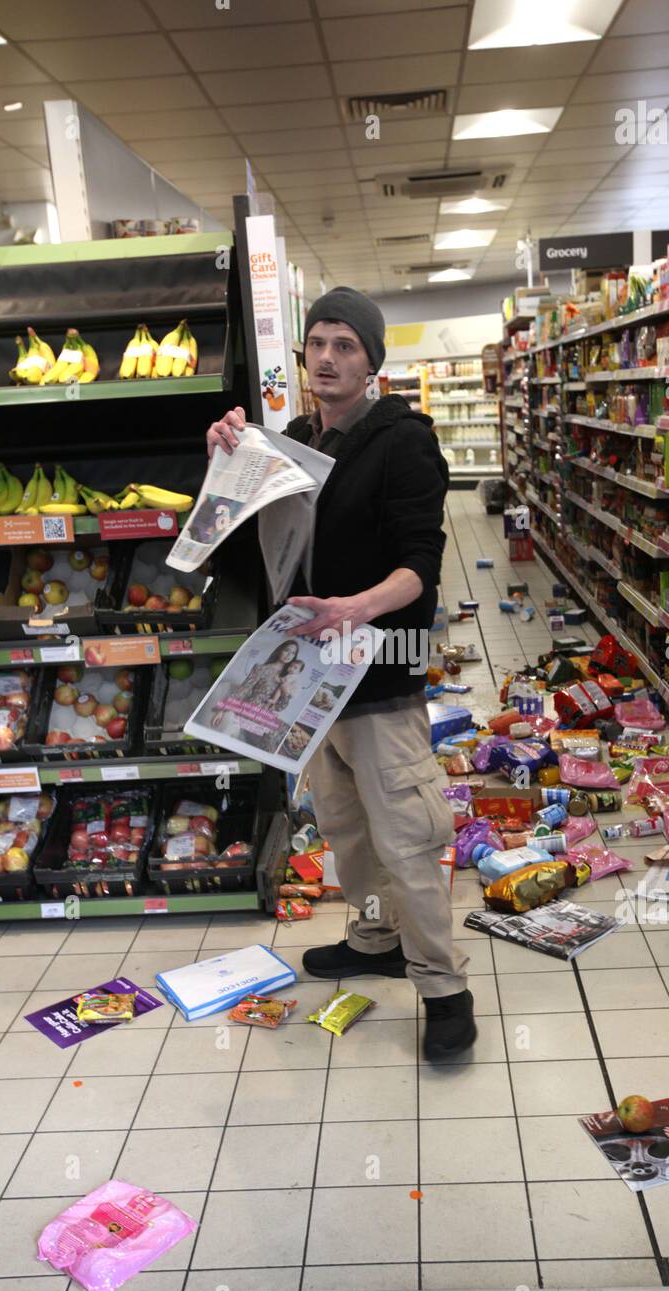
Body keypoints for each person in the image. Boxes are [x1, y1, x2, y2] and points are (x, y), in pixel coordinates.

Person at [207, 285, 475, 1058]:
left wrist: (359, 607)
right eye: (317, 343)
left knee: (407, 835)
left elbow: (421, 564)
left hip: (382, 670)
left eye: (345, 345)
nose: (327, 357)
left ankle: (443, 985)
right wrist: (225, 460)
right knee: (347, 829)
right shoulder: (289, 441)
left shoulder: (404, 440)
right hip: (309, 681)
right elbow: (233, 544)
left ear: (371, 362)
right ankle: (374, 938)